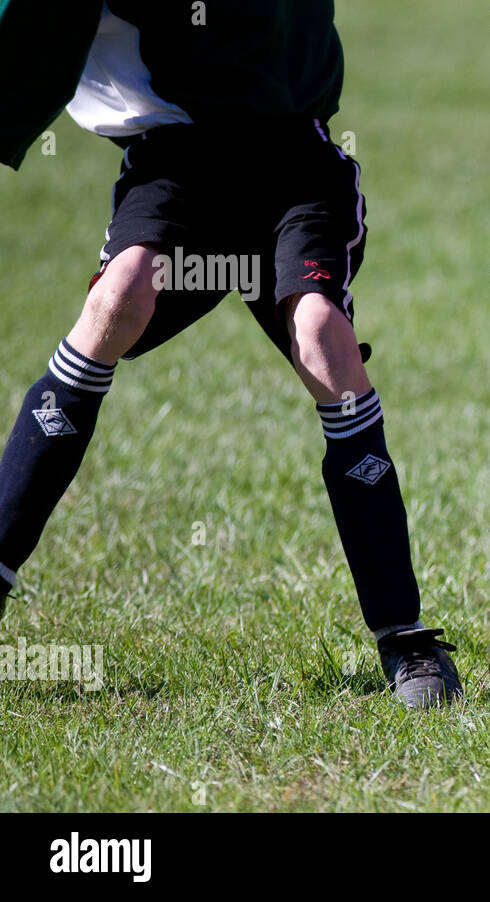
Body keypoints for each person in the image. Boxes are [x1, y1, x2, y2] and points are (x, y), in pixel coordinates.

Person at [0, 1, 460, 709]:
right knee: (117, 299)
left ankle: (406, 639)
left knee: (323, 338)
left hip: (295, 163)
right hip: (178, 160)